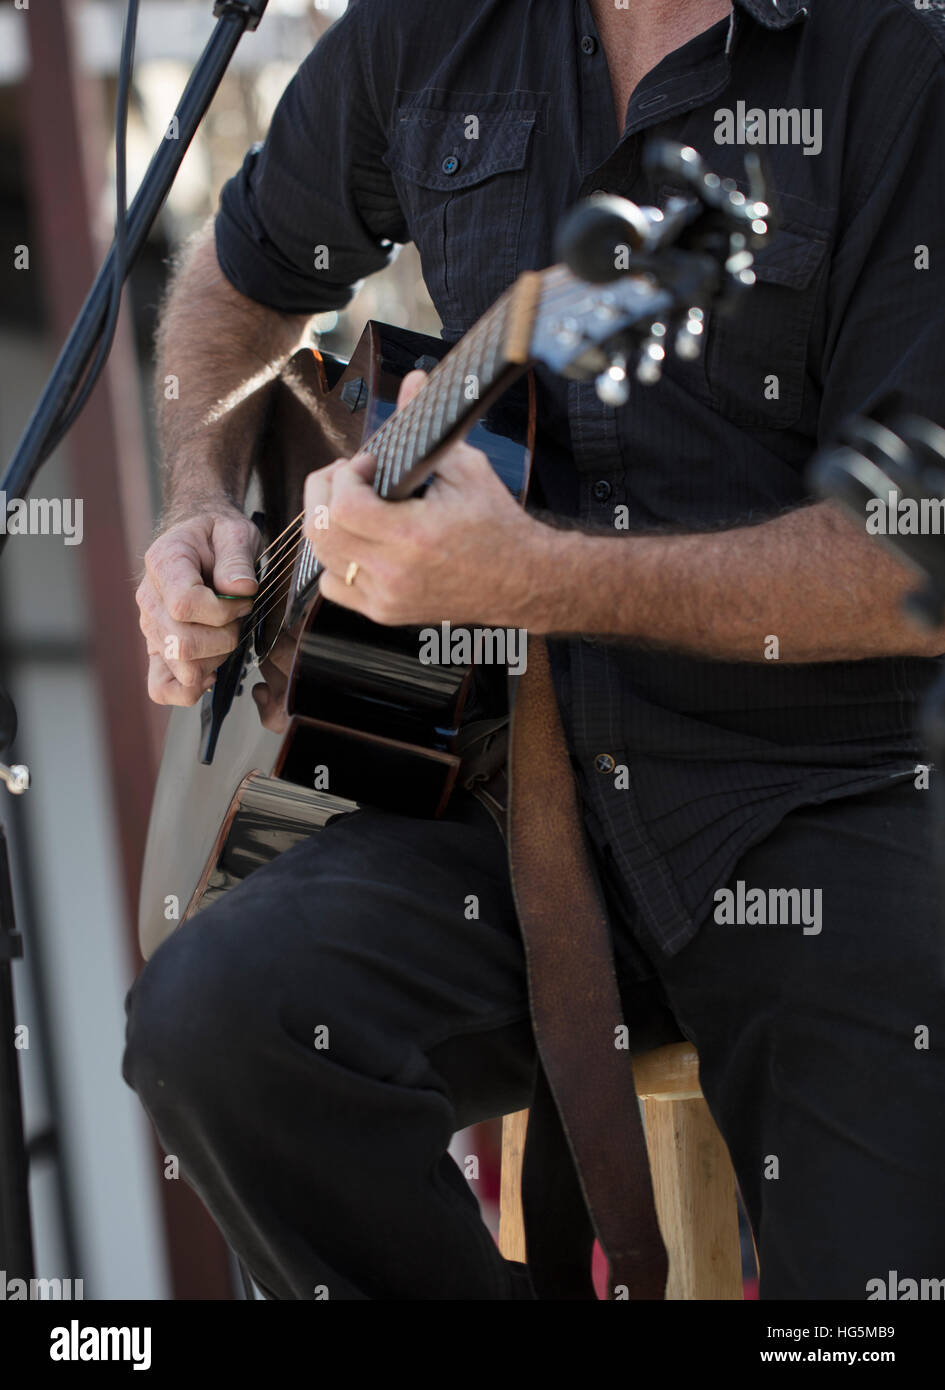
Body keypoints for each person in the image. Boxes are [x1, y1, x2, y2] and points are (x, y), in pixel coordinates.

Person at [124, 0, 945, 1299]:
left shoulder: (893, 61)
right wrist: (201, 503)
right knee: (219, 1015)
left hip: (823, 801)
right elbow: (236, 283)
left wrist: (542, 575)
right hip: (511, 792)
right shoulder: (429, 33)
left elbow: (912, 554)